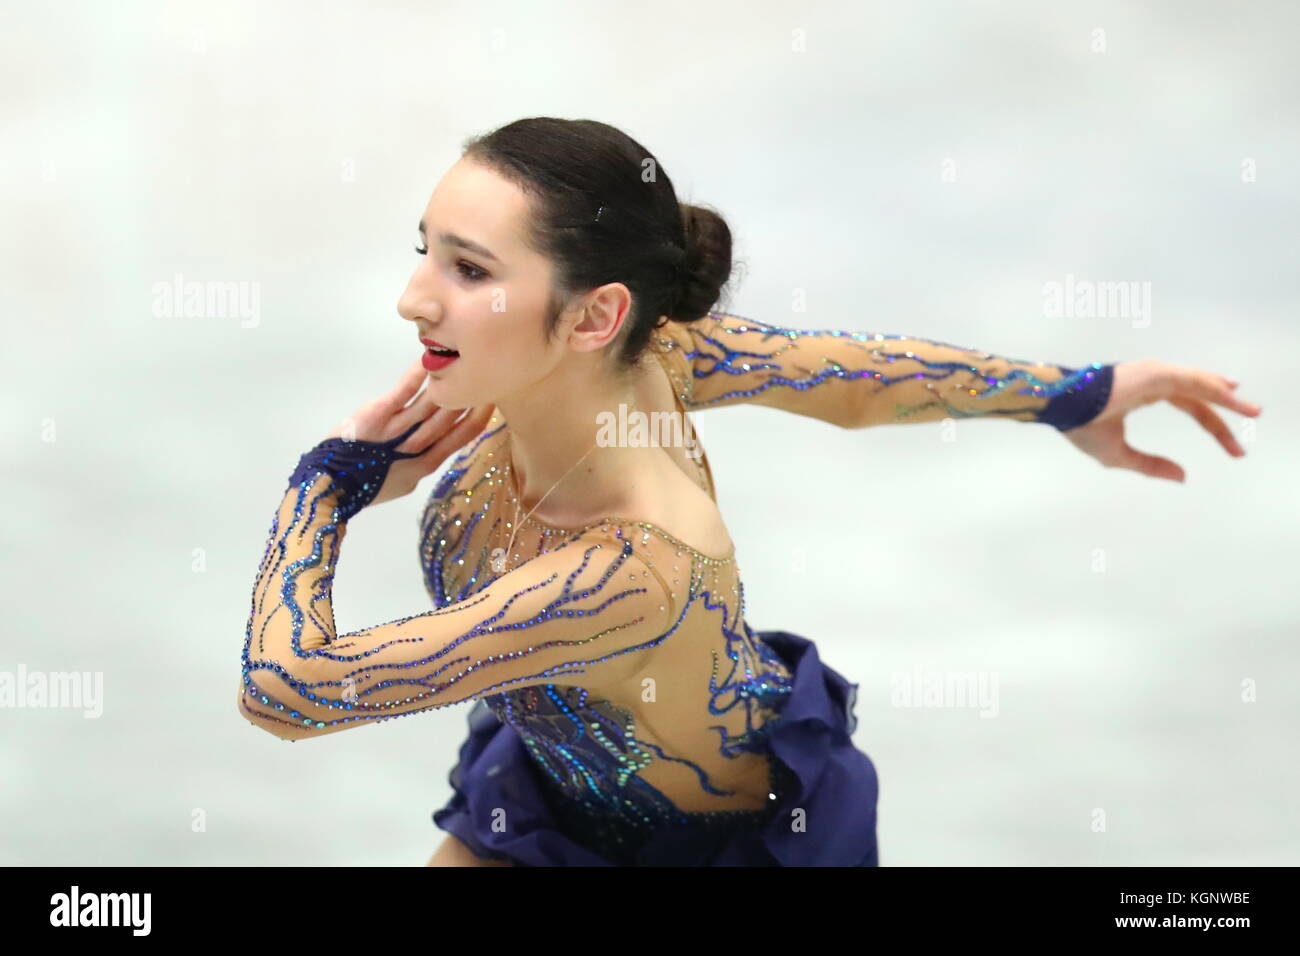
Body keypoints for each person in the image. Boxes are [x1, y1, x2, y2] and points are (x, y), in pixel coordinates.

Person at [237, 117, 1262, 867]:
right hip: (553, 790)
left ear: (594, 315)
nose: (414, 296)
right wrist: (1073, 394)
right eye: (427, 251)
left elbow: (289, 691)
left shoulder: (633, 567)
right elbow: (860, 376)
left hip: (718, 850)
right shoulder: (645, 357)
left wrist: (324, 489)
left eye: (468, 268)